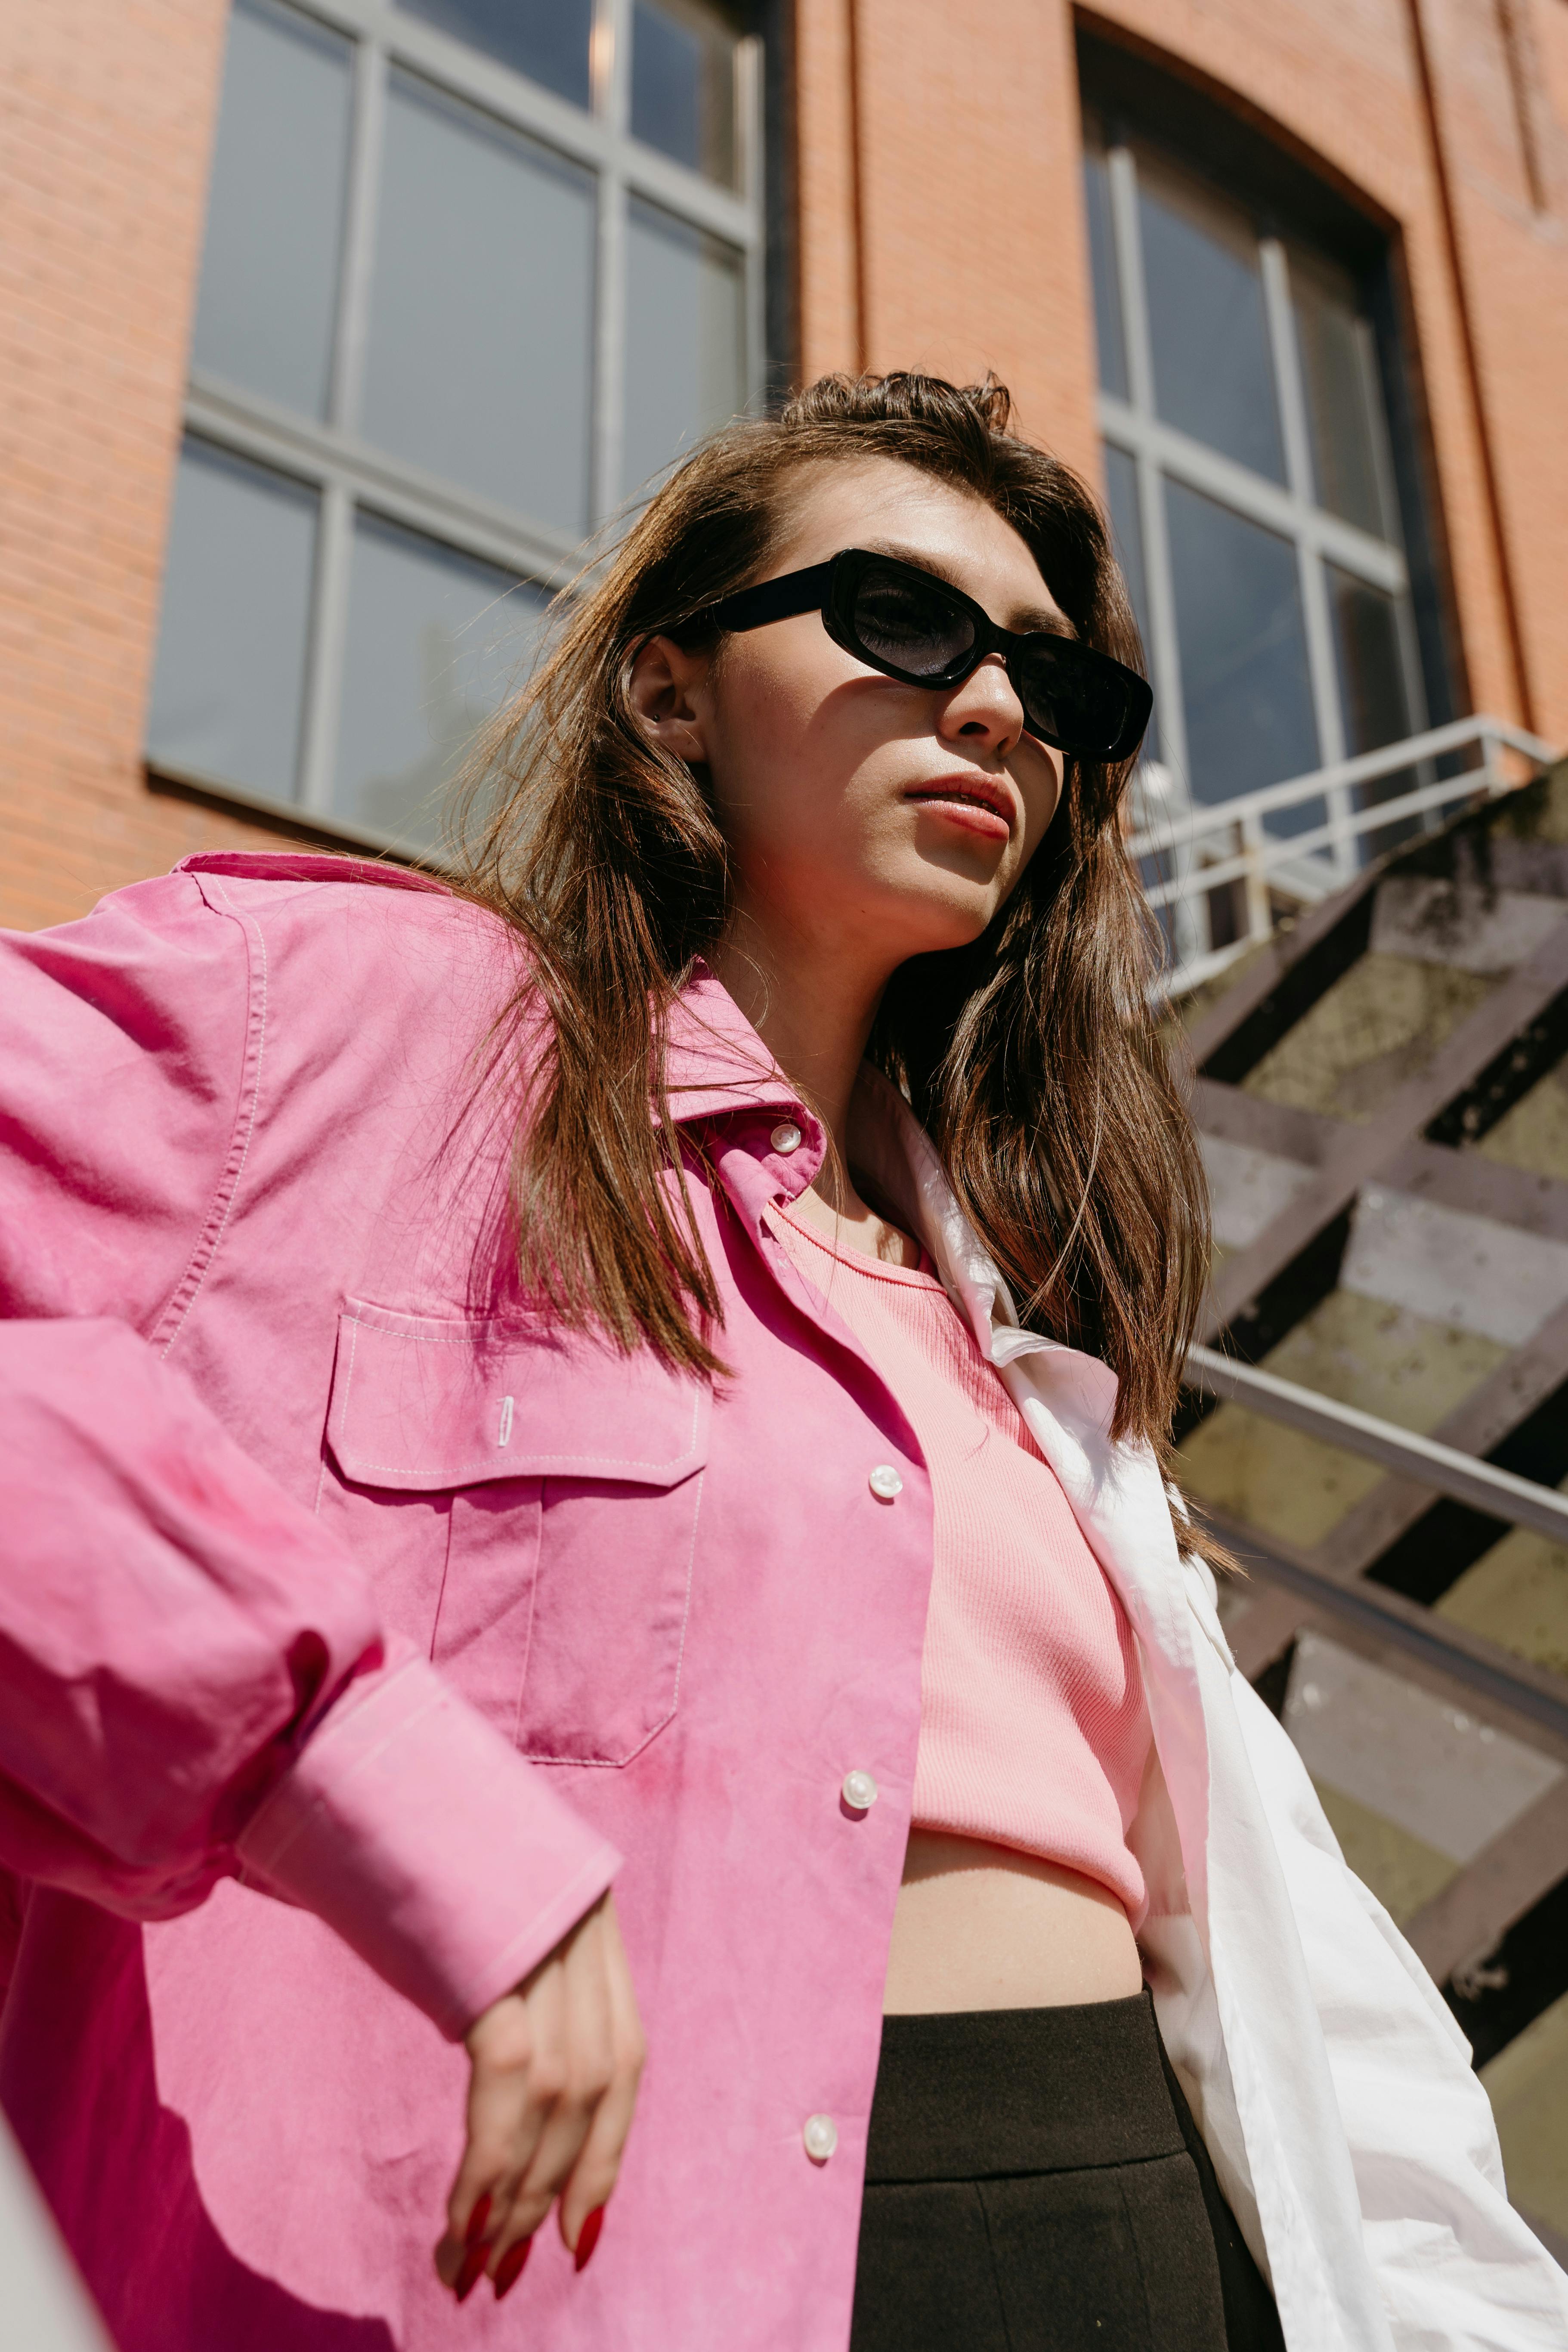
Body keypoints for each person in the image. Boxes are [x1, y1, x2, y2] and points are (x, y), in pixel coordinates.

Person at [0, 371, 1560, 2352]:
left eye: (1053, 689)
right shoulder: (336, 1033)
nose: (992, 705)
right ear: (668, 692)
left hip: (1146, 2244)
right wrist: (349, 1768)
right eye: (902, 625)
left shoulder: (1025, 1317)